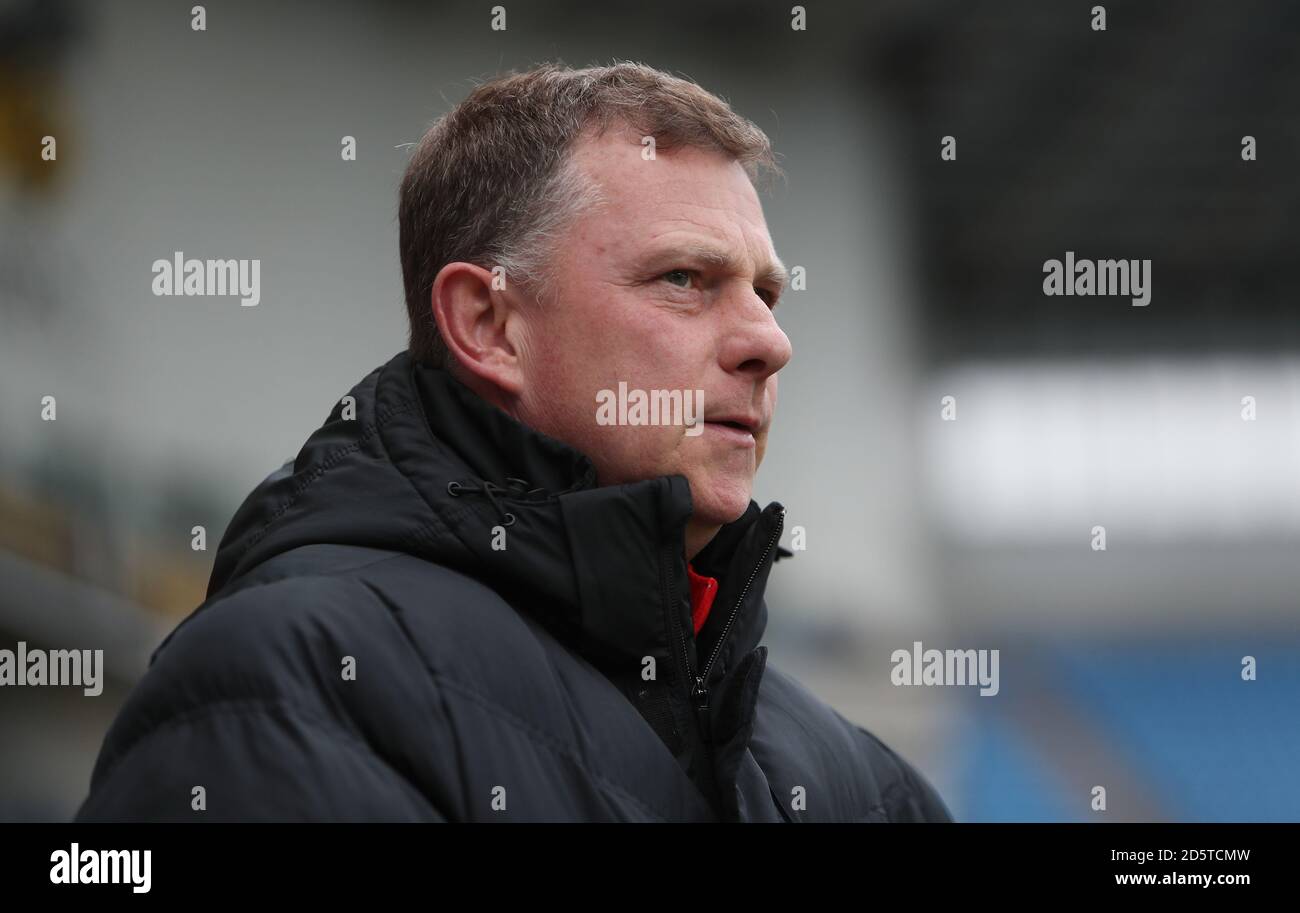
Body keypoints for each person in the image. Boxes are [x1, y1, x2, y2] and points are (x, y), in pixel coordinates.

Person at [76, 61, 952, 822]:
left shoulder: (860, 783)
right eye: (684, 279)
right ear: (489, 323)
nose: (770, 342)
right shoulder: (286, 686)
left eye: (767, 294)